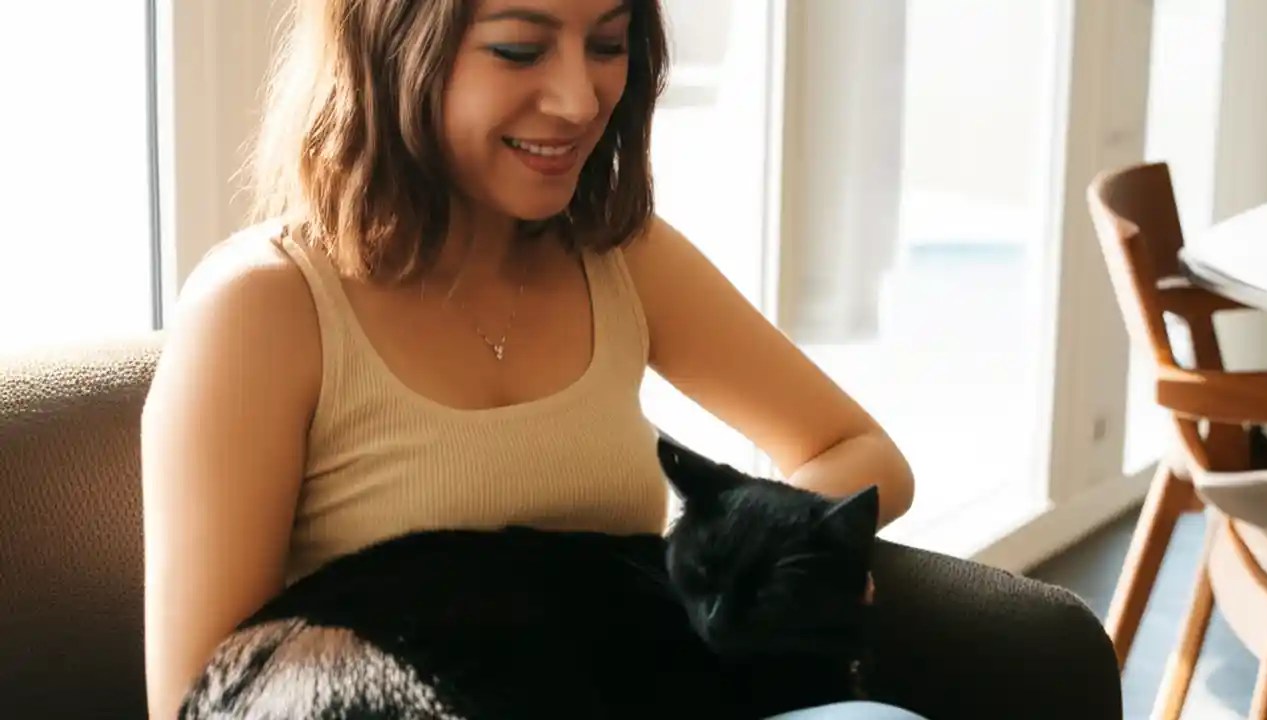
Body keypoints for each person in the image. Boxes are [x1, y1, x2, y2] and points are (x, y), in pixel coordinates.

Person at [140, 1, 921, 718]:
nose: (581, 100)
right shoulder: (263, 306)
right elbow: (204, 696)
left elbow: (856, 452)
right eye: (519, 50)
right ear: (396, 48)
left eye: (609, 44)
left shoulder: (626, 259)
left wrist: (780, 561)